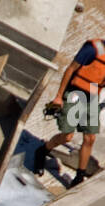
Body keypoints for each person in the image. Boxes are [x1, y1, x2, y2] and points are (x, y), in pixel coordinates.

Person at [34, 37, 105, 186]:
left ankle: (79, 177)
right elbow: (71, 69)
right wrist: (59, 97)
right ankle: (42, 150)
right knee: (67, 136)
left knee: (90, 138)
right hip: (75, 92)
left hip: (92, 94)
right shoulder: (93, 48)